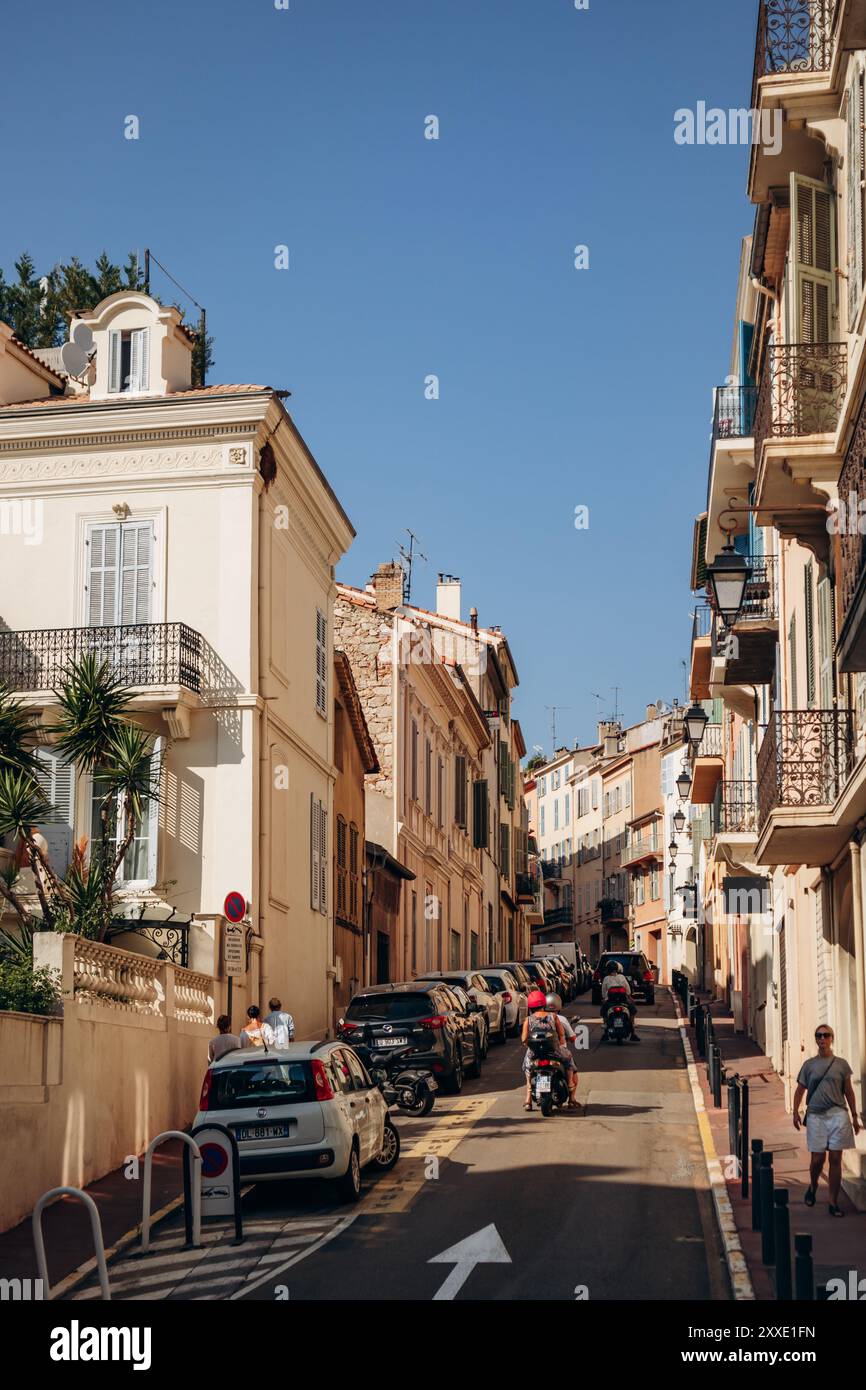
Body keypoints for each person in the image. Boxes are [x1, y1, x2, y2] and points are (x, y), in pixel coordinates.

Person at [793, 1024, 862, 1217]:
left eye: (826, 1035)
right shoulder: (809, 1065)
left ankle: (833, 1201)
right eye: (819, 1035)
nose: (822, 1038)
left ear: (832, 1038)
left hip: (838, 1114)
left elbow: (849, 1092)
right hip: (815, 1115)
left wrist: (855, 1117)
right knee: (817, 1160)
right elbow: (800, 1090)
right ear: (816, 1039)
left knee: (835, 1158)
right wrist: (795, 1112)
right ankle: (814, 1185)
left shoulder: (841, 1064)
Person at [520, 989, 565, 1111]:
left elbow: (524, 1039)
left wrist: (528, 1045)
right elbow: (561, 1035)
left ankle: (528, 1099)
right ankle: (571, 1095)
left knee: (527, 1068)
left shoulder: (528, 1020)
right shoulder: (553, 1016)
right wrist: (561, 1044)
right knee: (569, 1062)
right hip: (553, 1052)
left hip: (534, 1053)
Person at [546, 992, 579, 1108]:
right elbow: (573, 1038)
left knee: (528, 1070)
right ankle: (571, 1098)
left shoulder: (538, 1017)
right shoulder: (562, 1019)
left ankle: (528, 1099)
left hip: (541, 1051)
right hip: (559, 1052)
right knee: (573, 1070)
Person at [601, 959, 640, 1041]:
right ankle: (633, 1031)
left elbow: (604, 993)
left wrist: (605, 998)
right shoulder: (622, 977)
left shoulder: (606, 979)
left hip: (610, 1002)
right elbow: (628, 990)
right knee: (632, 1010)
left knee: (603, 1011)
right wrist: (629, 996)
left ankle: (605, 1031)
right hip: (623, 1002)